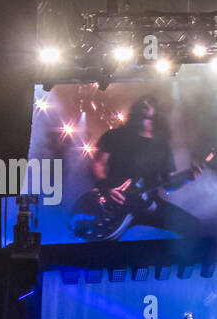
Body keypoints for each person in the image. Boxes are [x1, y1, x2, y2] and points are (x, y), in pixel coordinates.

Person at [86, 95, 203, 239]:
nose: (145, 103)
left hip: (148, 203)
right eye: (142, 101)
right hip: (117, 201)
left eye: (151, 102)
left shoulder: (162, 145)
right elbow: (98, 163)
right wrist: (106, 188)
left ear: (157, 112)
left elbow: (167, 184)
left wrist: (186, 177)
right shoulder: (115, 136)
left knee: (194, 226)